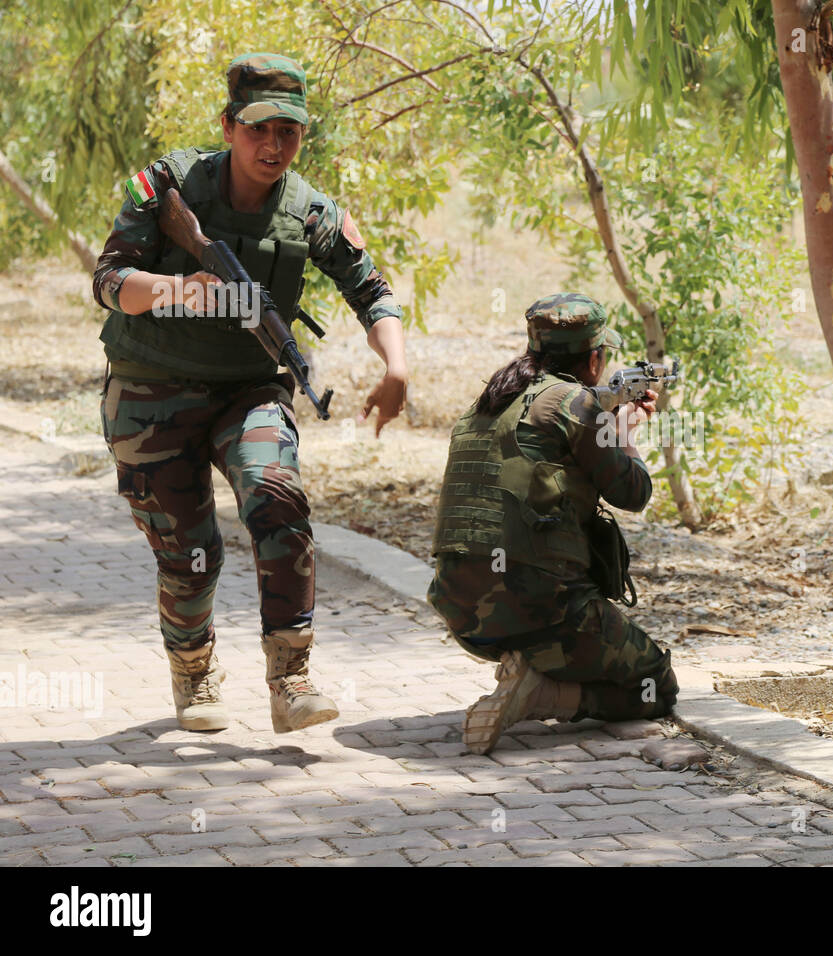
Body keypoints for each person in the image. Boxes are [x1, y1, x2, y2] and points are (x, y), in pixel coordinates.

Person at [94, 53, 408, 733]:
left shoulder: (308, 212)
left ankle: (290, 677)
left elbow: (371, 290)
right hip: (151, 390)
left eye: (288, 133)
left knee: (276, 495)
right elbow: (109, 280)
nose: (273, 147)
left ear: (303, 137)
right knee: (190, 552)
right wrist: (179, 289)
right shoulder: (166, 185)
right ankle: (194, 672)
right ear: (229, 126)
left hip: (250, 390)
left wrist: (397, 368)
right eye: (259, 129)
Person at [428, 293, 678, 754]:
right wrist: (623, 435)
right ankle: (542, 695)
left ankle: (533, 672)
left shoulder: (484, 404)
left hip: (464, 615)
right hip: (543, 611)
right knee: (655, 688)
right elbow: (634, 493)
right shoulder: (576, 404)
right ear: (596, 358)